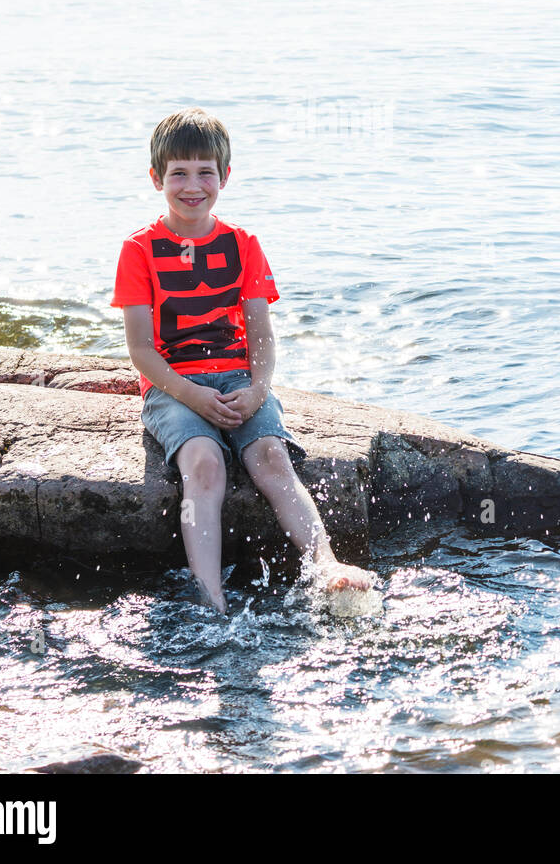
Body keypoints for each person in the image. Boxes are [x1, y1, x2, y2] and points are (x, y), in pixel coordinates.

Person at [111, 106, 374, 614]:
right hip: (173, 385)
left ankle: (326, 564)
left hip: (237, 377)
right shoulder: (139, 250)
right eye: (179, 173)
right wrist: (192, 396)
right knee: (205, 464)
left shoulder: (242, 244)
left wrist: (257, 389)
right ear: (156, 178)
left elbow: (262, 338)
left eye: (205, 172)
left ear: (224, 177)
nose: (193, 185)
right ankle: (212, 598)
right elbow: (141, 350)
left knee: (271, 458)